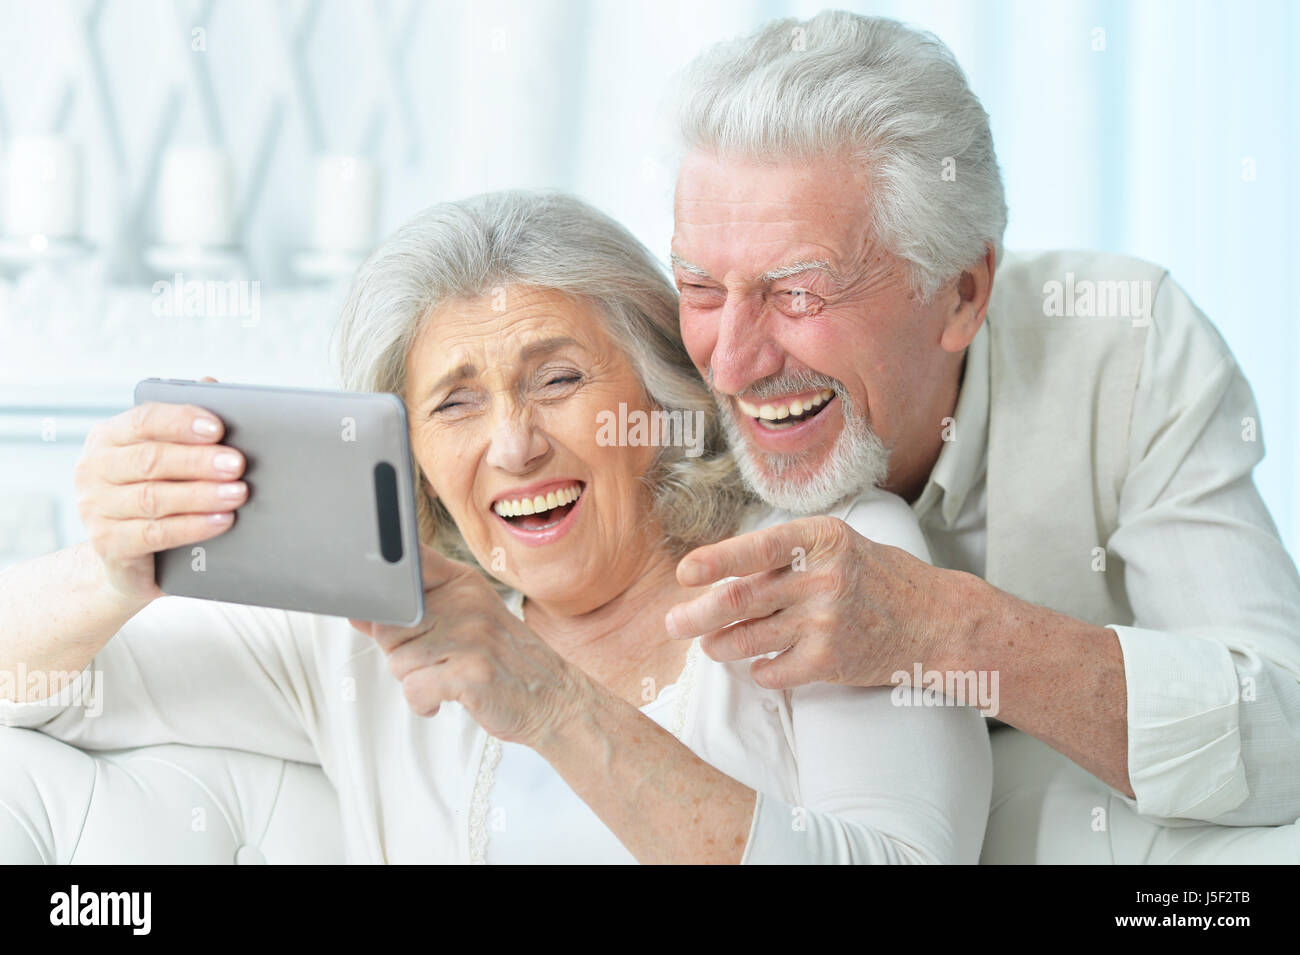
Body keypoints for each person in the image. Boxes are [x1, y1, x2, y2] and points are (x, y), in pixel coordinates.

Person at [0, 190, 990, 864]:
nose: (513, 446)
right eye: (454, 405)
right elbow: (28, 687)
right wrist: (116, 569)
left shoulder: (825, 558)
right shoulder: (367, 620)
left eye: (557, 379)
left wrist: (552, 705)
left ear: (658, 399)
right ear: (410, 453)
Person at [661, 11, 1300, 862]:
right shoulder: (651, 394)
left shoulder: (1128, 346)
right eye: (701, 287)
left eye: (800, 294)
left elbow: (1283, 733)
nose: (732, 363)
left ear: (962, 292)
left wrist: (941, 628)